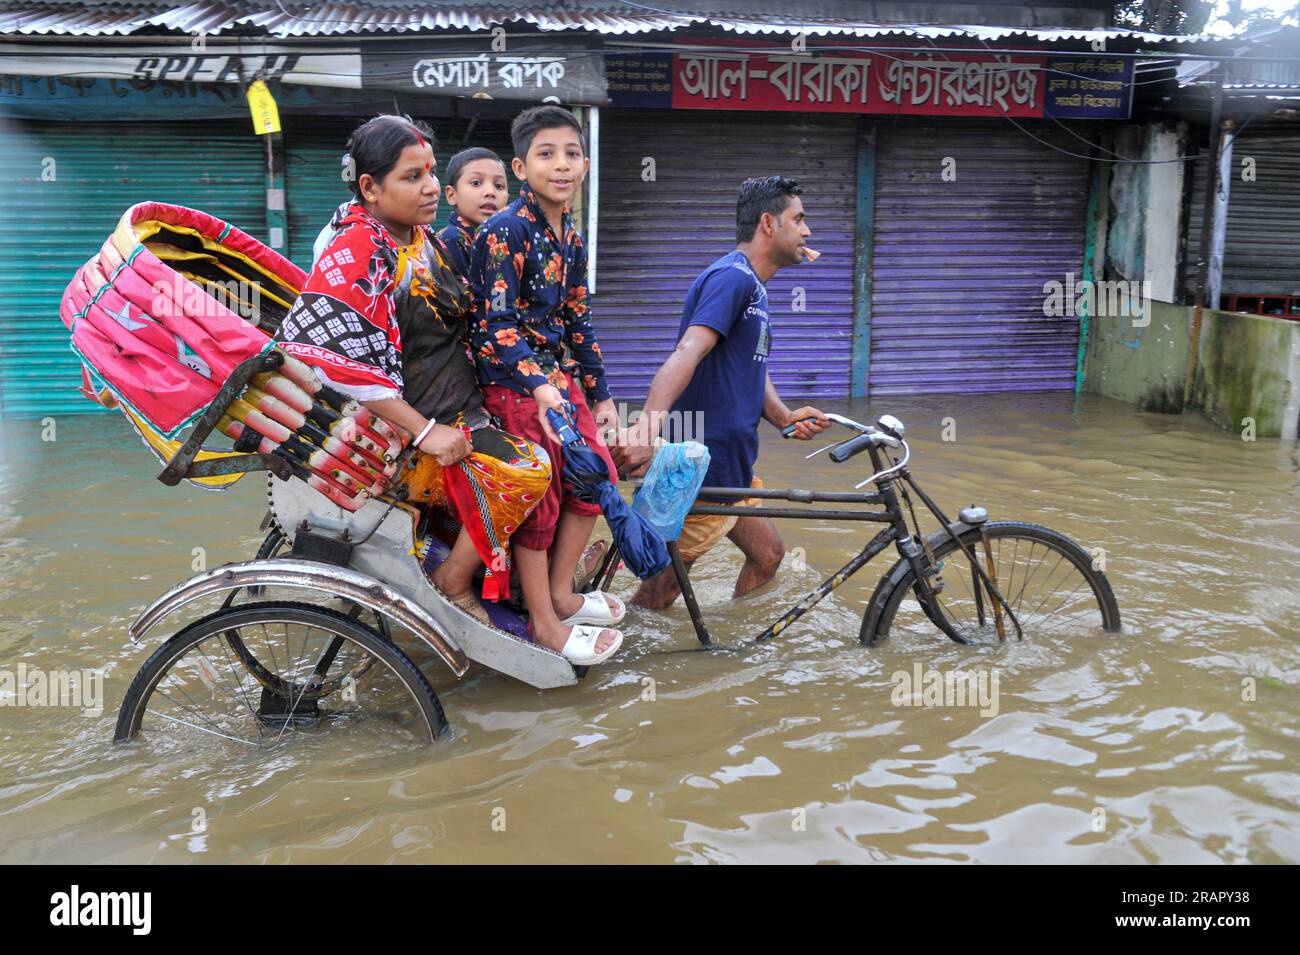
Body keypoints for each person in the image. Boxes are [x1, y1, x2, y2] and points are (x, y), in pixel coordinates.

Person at [272, 114, 598, 657]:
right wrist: (426, 433)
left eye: (428, 174)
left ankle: (532, 591)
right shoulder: (358, 248)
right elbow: (336, 362)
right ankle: (454, 580)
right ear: (370, 188)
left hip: (461, 402)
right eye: (411, 177)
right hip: (418, 420)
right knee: (528, 471)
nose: (428, 189)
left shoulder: (421, 239)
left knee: (569, 464)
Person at [612, 176, 831, 609]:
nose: (807, 232)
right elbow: (687, 351)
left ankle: (734, 648)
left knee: (767, 556)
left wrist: (784, 417)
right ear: (769, 223)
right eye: (799, 219)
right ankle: (624, 659)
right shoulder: (732, 279)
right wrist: (646, 428)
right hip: (701, 471)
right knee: (661, 591)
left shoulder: (754, 288)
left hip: (734, 470)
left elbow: (751, 367)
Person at [468, 105, 624, 663]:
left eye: (572, 154)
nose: (561, 165)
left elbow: (579, 319)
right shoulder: (504, 231)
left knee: (596, 478)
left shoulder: (573, 238)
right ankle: (542, 622)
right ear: (521, 166)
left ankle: (561, 593)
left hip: (558, 381)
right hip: (512, 384)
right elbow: (497, 324)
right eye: (546, 154)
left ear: (585, 164)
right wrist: (537, 385)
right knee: (542, 500)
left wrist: (600, 395)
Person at [438, 147, 509, 278]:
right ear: (452, 195)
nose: (490, 192)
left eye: (499, 186)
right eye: (476, 183)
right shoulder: (452, 239)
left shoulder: (503, 241)